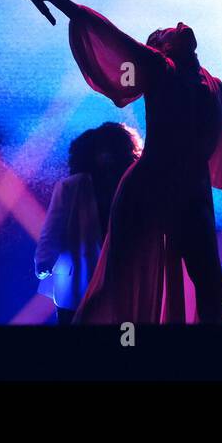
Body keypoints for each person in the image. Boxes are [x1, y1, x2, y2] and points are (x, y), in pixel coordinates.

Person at [13, 0, 222, 323]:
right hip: (150, 185)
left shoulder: (215, 85)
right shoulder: (160, 69)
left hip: (191, 192)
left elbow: (217, 136)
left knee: (209, 281)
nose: (175, 27)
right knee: (119, 277)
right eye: (163, 33)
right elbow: (105, 31)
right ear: (162, 48)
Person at [36, 123, 141, 323]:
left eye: (110, 149)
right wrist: (44, 260)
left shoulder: (130, 185)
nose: (106, 156)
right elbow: (53, 228)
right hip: (77, 281)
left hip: (117, 277)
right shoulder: (71, 186)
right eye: (102, 149)